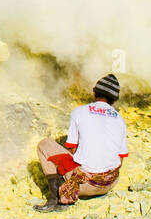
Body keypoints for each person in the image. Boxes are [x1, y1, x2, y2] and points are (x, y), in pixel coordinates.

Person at [34, 74, 128, 211]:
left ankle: (58, 198)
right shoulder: (120, 120)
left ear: (94, 93)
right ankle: (80, 192)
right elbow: (121, 158)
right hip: (110, 184)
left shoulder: (79, 112)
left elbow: (73, 149)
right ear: (114, 101)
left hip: (85, 185)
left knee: (45, 144)